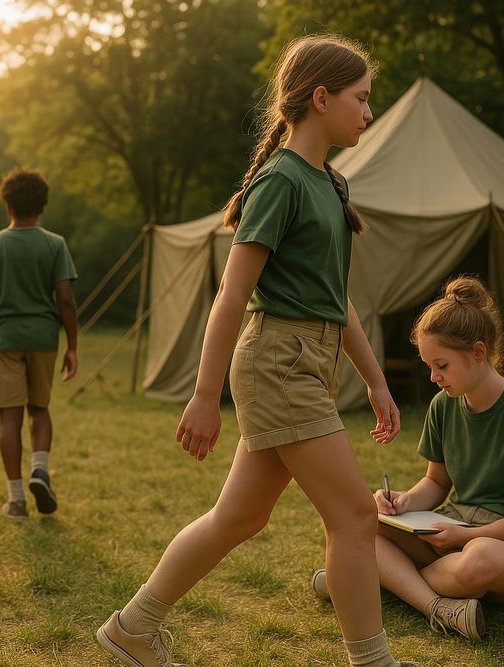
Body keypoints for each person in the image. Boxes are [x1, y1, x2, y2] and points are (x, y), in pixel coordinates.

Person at [97, 36, 415, 667]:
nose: (368, 114)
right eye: (361, 99)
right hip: (279, 364)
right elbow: (232, 293)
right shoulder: (280, 182)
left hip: (304, 363)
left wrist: (375, 380)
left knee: (238, 518)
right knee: (355, 516)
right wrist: (202, 395)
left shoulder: (330, 182)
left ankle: (133, 627)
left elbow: (336, 299)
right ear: (321, 98)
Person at [313, 276, 504, 642]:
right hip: (450, 528)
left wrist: (467, 535)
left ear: (478, 353)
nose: (433, 377)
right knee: (359, 518)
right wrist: (403, 502)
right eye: (429, 365)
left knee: (480, 560)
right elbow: (437, 482)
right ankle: (435, 605)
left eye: (441, 365)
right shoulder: (443, 406)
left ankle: (372, 581)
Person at [0, 167, 79, 521]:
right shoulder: (55, 244)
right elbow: (65, 299)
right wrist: (72, 346)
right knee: (40, 409)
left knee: (9, 418)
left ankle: (16, 500)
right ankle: (40, 469)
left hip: (4, 339)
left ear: (7, 204)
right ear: (43, 205)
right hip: (44, 338)